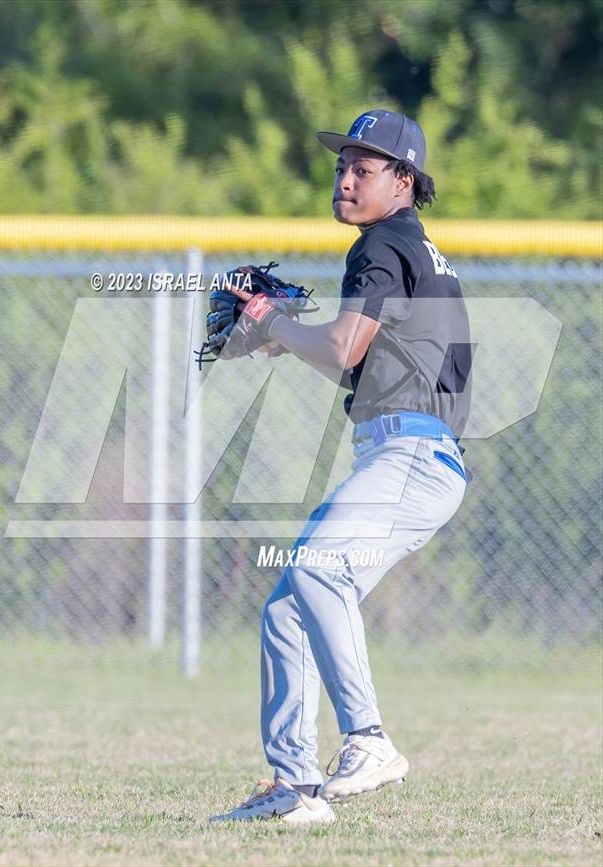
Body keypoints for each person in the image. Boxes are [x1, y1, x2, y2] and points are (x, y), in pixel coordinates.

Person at [211, 109, 472, 824]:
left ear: (404, 181)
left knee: (320, 569)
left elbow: (342, 349)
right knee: (290, 608)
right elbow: (368, 367)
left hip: (413, 454)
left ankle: (369, 739)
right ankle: (294, 789)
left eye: (364, 167)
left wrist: (271, 323)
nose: (345, 178)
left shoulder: (381, 243)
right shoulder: (411, 248)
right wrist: (286, 337)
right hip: (413, 449)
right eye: (341, 166)